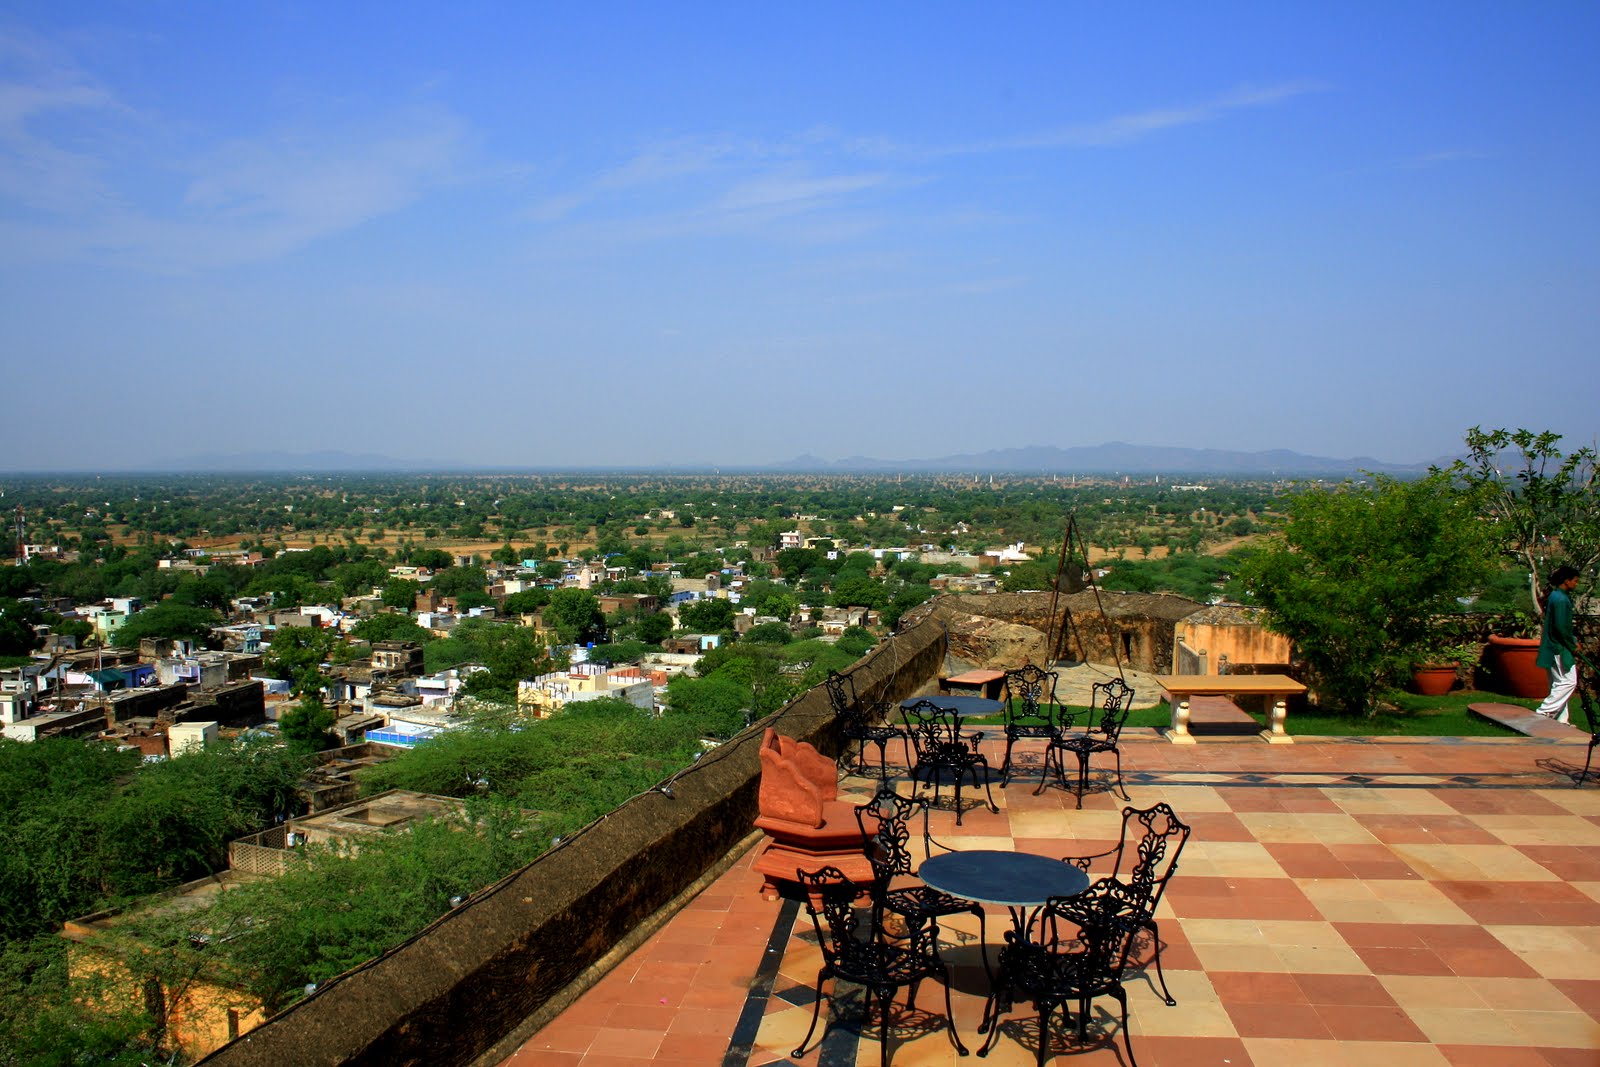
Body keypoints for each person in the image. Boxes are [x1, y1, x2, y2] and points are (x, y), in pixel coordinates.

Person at [1534, 565, 1581, 722]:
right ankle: (1543, 711)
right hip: (1559, 647)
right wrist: (1572, 644)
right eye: (1575, 581)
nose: (1576, 584)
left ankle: (1561, 720)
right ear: (1566, 581)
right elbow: (1561, 627)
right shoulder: (1561, 599)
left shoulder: (1556, 596)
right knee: (1569, 681)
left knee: (1559, 683)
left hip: (1554, 645)